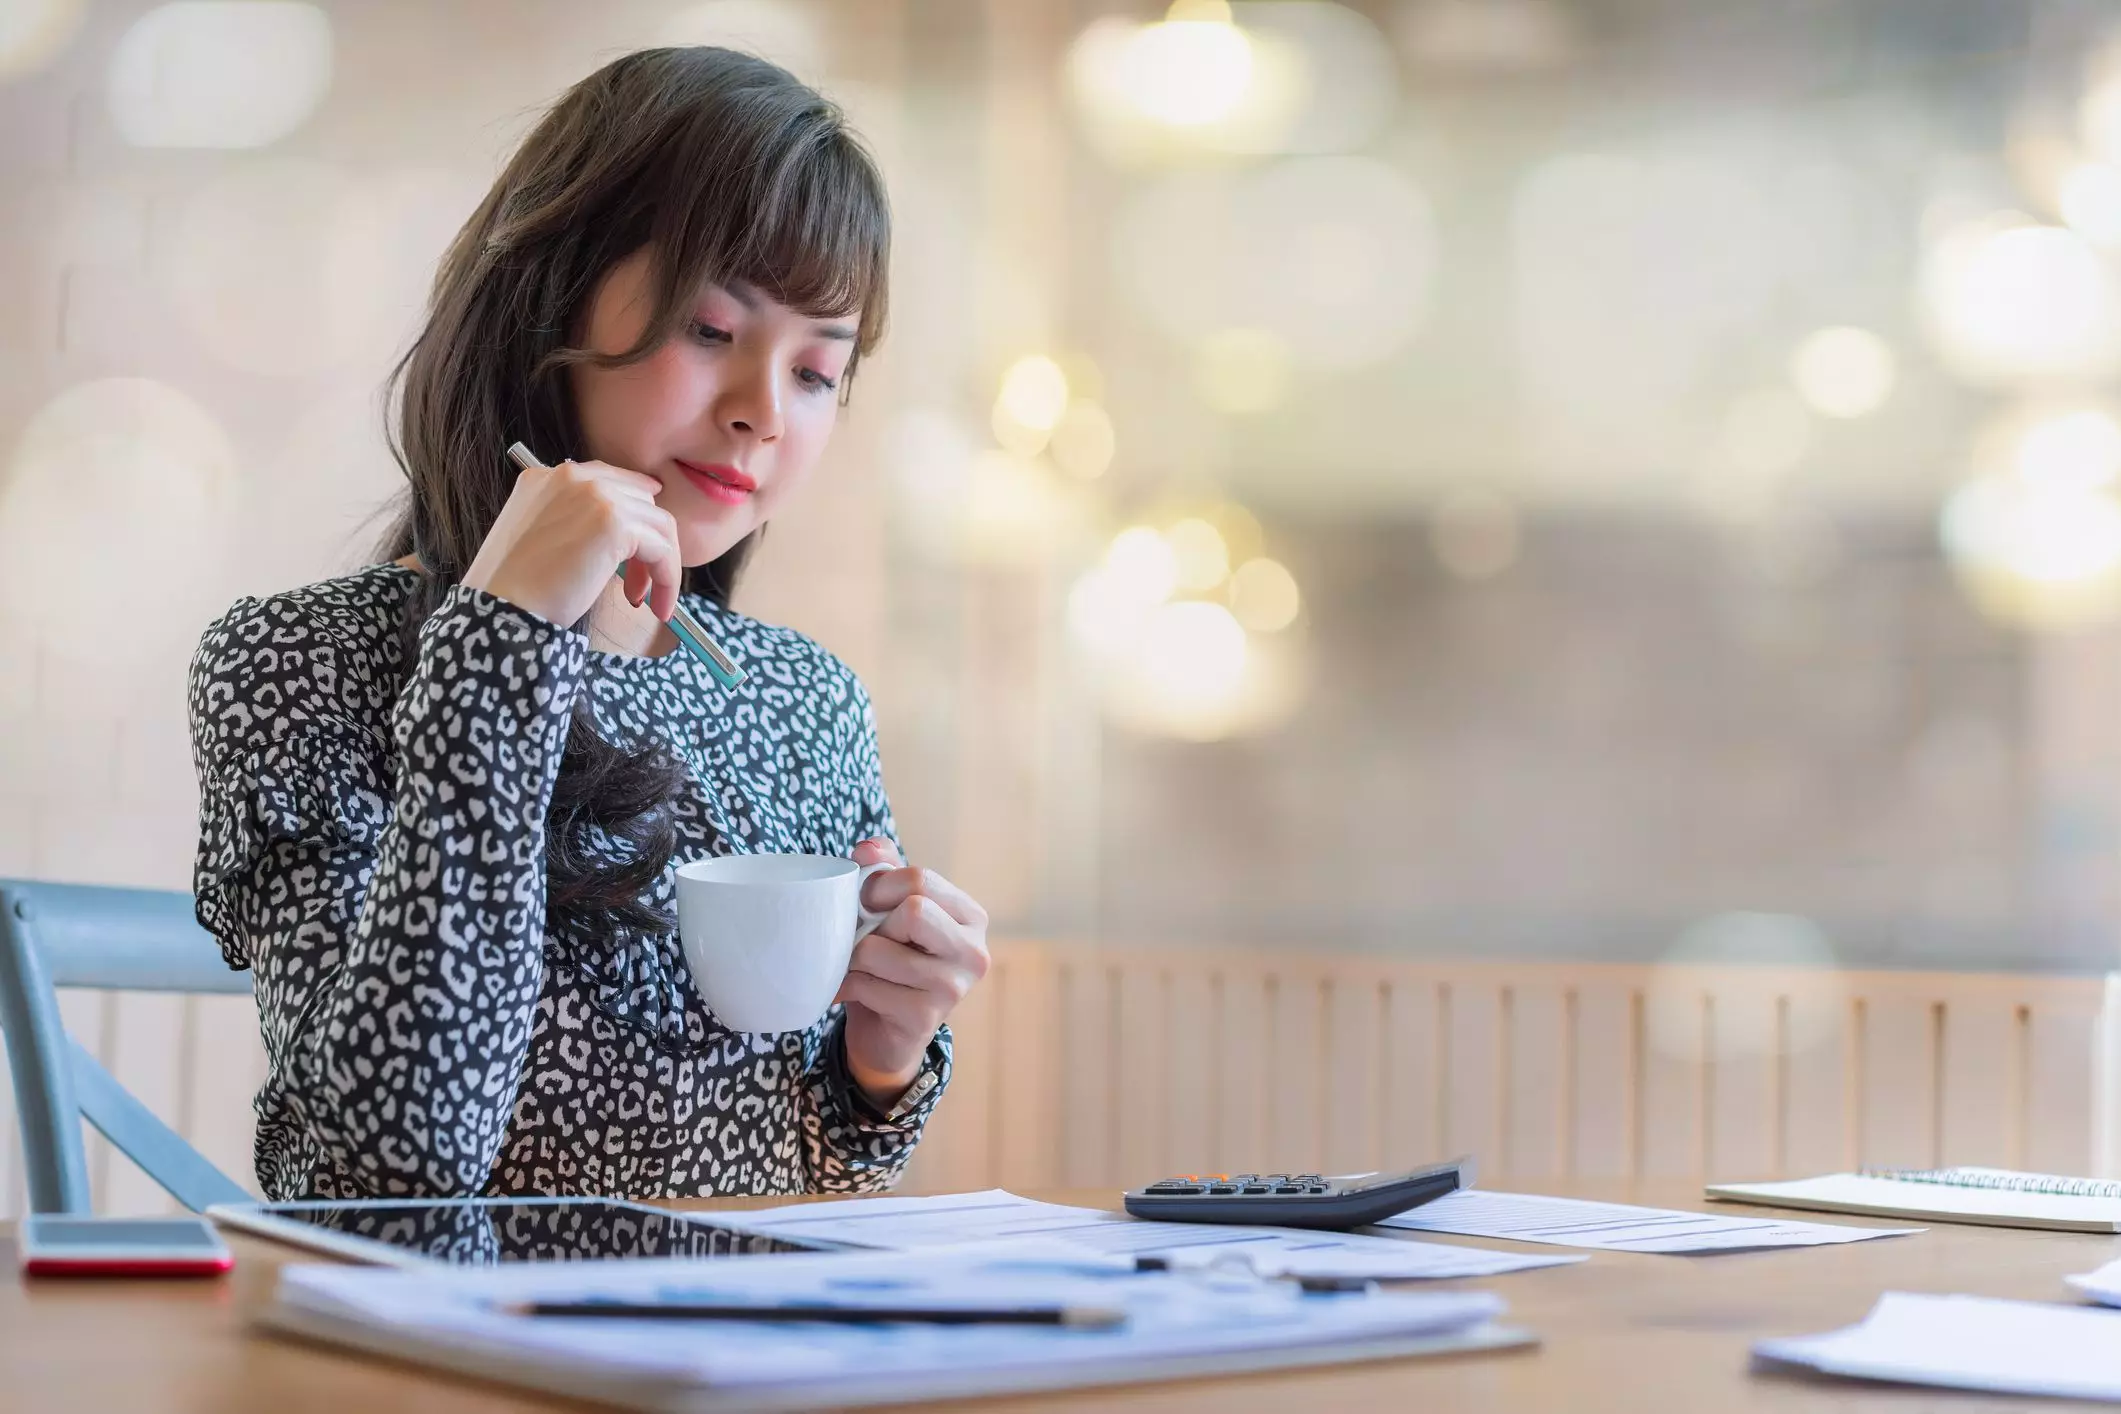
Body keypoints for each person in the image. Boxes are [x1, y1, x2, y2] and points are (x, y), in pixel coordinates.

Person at [186, 47, 989, 1201]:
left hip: (737, 1361)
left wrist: (883, 1055)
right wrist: (501, 642)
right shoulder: (299, 667)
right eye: (713, 330)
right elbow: (400, 1162)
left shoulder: (806, 700)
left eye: (820, 371)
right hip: (428, 1355)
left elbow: (822, 1168)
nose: (765, 411)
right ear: (549, 300)